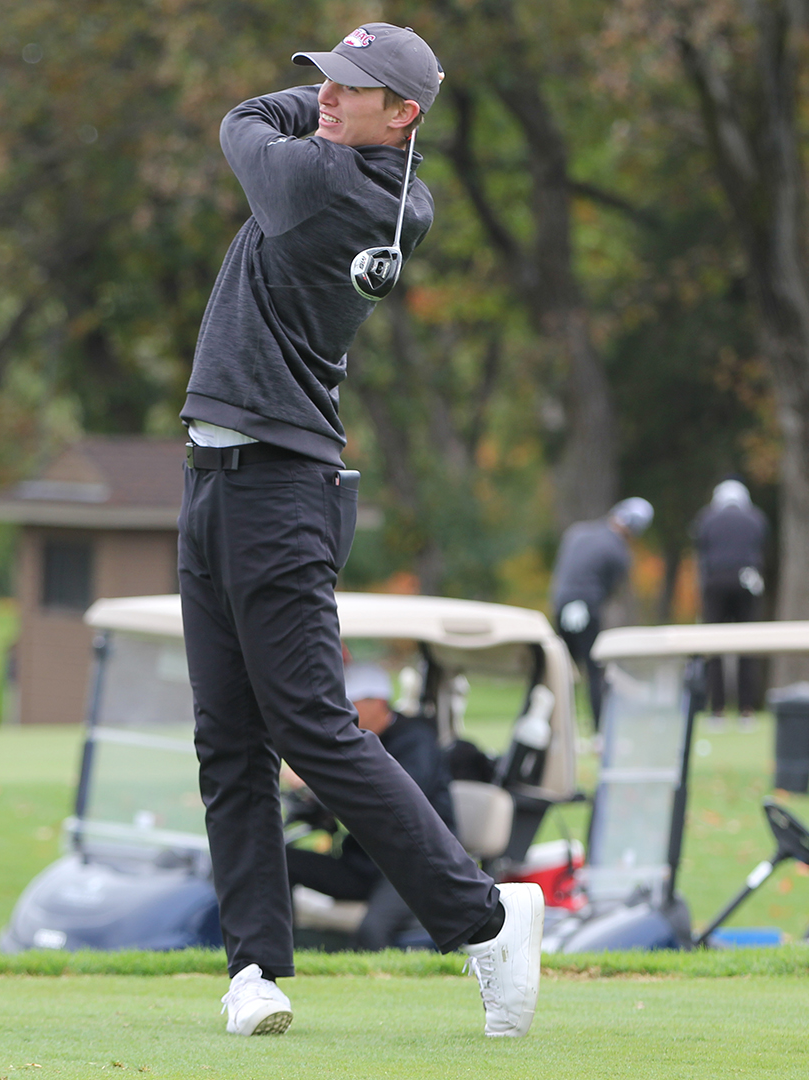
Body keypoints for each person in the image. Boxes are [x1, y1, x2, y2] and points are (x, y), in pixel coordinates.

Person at [175, 24, 541, 1039]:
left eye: (353, 88)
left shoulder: (325, 188)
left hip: (277, 487)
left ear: (406, 114)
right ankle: (256, 969)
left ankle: (488, 919)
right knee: (227, 740)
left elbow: (242, 120)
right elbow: (294, 125)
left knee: (310, 729)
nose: (326, 97)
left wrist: (305, 119)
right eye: (323, 80)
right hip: (216, 478)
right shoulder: (371, 185)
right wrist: (335, 114)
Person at [283, 663, 456, 951]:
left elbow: (393, 806)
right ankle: (280, 954)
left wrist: (316, 785)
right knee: (280, 861)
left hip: (412, 867)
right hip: (365, 863)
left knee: (371, 931)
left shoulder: (416, 741)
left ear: (378, 702)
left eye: (350, 704)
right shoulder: (352, 742)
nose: (342, 713)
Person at [550, 497, 652, 729]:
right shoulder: (619, 552)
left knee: (559, 669)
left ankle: (552, 726)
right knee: (594, 671)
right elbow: (607, 591)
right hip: (586, 607)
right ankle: (600, 730)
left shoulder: (577, 532)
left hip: (561, 605)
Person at [692, 479, 768, 725]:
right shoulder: (756, 518)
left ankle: (718, 710)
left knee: (714, 647)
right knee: (746, 646)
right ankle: (746, 709)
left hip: (715, 582)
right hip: (747, 582)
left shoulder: (707, 518)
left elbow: (700, 549)